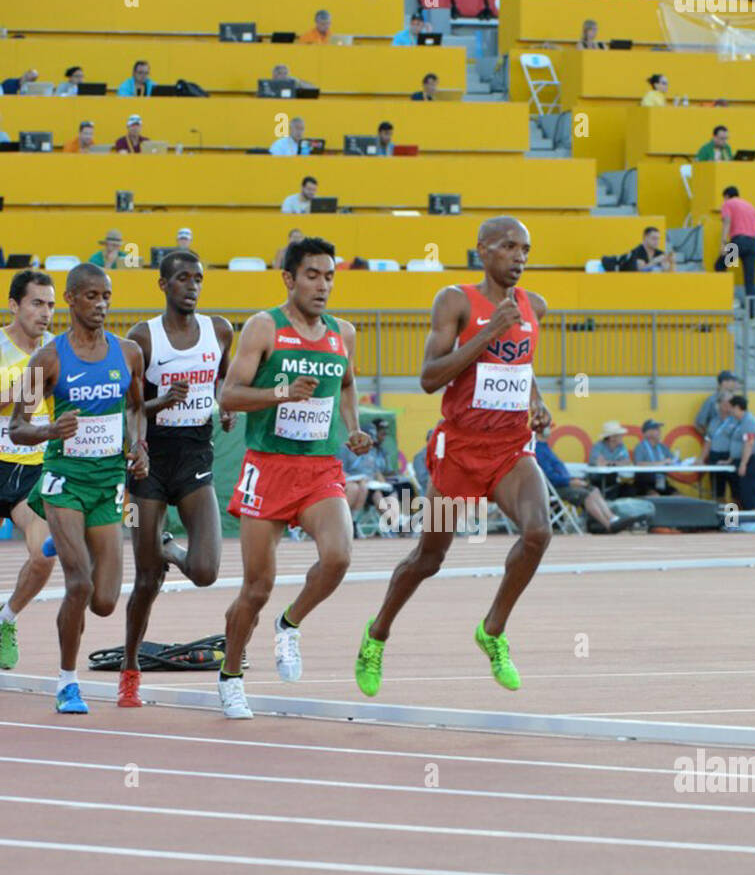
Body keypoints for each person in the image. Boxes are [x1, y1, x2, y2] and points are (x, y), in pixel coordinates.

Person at [354, 214, 552, 697]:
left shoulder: (535, 305)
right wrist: (486, 333)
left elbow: (520, 365)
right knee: (428, 557)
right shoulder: (456, 301)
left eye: (525, 249)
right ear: (482, 250)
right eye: (509, 247)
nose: (520, 257)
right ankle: (376, 635)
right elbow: (429, 377)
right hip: (459, 451)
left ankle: (493, 630)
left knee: (538, 533)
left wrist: (537, 400)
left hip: (509, 448)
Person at [217, 237, 372, 718]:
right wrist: (281, 392)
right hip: (268, 468)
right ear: (289, 278)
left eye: (329, 276)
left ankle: (290, 624)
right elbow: (229, 396)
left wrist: (354, 428)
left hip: (320, 469)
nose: (323, 285)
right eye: (312, 275)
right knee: (257, 587)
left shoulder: (342, 333)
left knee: (339, 557)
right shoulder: (265, 327)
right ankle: (231, 674)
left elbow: (346, 385)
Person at [8, 263, 147, 714]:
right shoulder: (45, 360)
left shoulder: (127, 353)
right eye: (91, 296)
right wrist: (51, 431)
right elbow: (17, 427)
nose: (101, 305)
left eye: (106, 295)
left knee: (105, 602)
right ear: (71, 299)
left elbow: (137, 409)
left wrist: (139, 445)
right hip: (63, 481)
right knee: (80, 584)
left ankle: (64, 542)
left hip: (108, 483)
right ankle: (67, 682)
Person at [120, 250, 236, 707]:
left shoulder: (220, 330)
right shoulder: (141, 338)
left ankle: (171, 546)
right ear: (162, 284)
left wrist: (224, 403)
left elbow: (224, 379)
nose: (192, 285)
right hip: (150, 458)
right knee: (147, 579)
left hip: (195, 455)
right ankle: (130, 669)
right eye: (183, 278)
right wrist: (160, 403)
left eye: (199, 278)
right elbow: (129, 408)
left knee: (205, 570)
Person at [0, 271, 58, 670]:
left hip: (33, 471)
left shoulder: (57, 350)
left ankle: (5, 621)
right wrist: (19, 394)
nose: (46, 313)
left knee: (44, 555)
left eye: (51, 305)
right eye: (37, 303)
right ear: (14, 305)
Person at [715, 185, 755, 302]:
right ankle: (752, 314)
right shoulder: (749, 206)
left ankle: (728, 298)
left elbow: (727, 222)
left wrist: (723, 243)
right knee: (749, 280)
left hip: (738, 242)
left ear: (726, 196)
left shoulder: (728, 203)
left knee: (720, 266)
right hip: (753, 243)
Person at [726, 394, 755, 510]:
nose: (729, 410)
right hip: (744, 460)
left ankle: (753, 522)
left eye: (731, 407)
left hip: (750, 461)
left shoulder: (749, 422)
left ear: (737, 407)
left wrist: (743, 464)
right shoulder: (740, 422)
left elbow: (749, 443)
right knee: (740, 492)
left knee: (748, 491)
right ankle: (741, 521)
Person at [699, 388, 735, 500]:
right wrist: (701, 458)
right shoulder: (714, 421)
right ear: (720, 404)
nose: (728, 405)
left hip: (730, 457)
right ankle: (721, 516)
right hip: (715, 456)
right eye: (726, 402)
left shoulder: (736, 420)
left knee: (736, 492)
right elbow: (708, 441)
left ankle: (733, 517)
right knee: (718, 492)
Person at [633, 418, 678, 495]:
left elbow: (673, 460)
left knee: (678, 496)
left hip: (661, 482)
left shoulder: (663, 447)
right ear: (647, 433)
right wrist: (661, 463)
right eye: (656, 429)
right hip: (645, 483)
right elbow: (639, 464)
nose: (660, 431)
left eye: (659, 429)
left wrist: (681, 462)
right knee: (655, 496)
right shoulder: (640, 447)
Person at [588, 421, 631, 499]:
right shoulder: (598, 446)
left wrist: (610, 463)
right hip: (598, 481)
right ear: (612, 437)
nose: (622, 437)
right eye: (619, 435)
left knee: (629, 489)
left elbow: (627, 462)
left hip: (613, 480)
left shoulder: (621, 447)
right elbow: (599, 463)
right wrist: (617, 463)